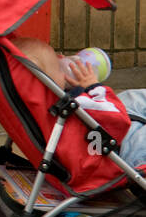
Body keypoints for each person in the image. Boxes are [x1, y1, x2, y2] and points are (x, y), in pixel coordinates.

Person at [12, 38, 146, 170]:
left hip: (103, 133)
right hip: (118, 150)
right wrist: (93, 86)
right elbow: (119, 121)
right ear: (47, 83)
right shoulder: (68, 107)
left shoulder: (37, 105)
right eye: (58, 67)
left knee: (130, 97)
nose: (62, 58)